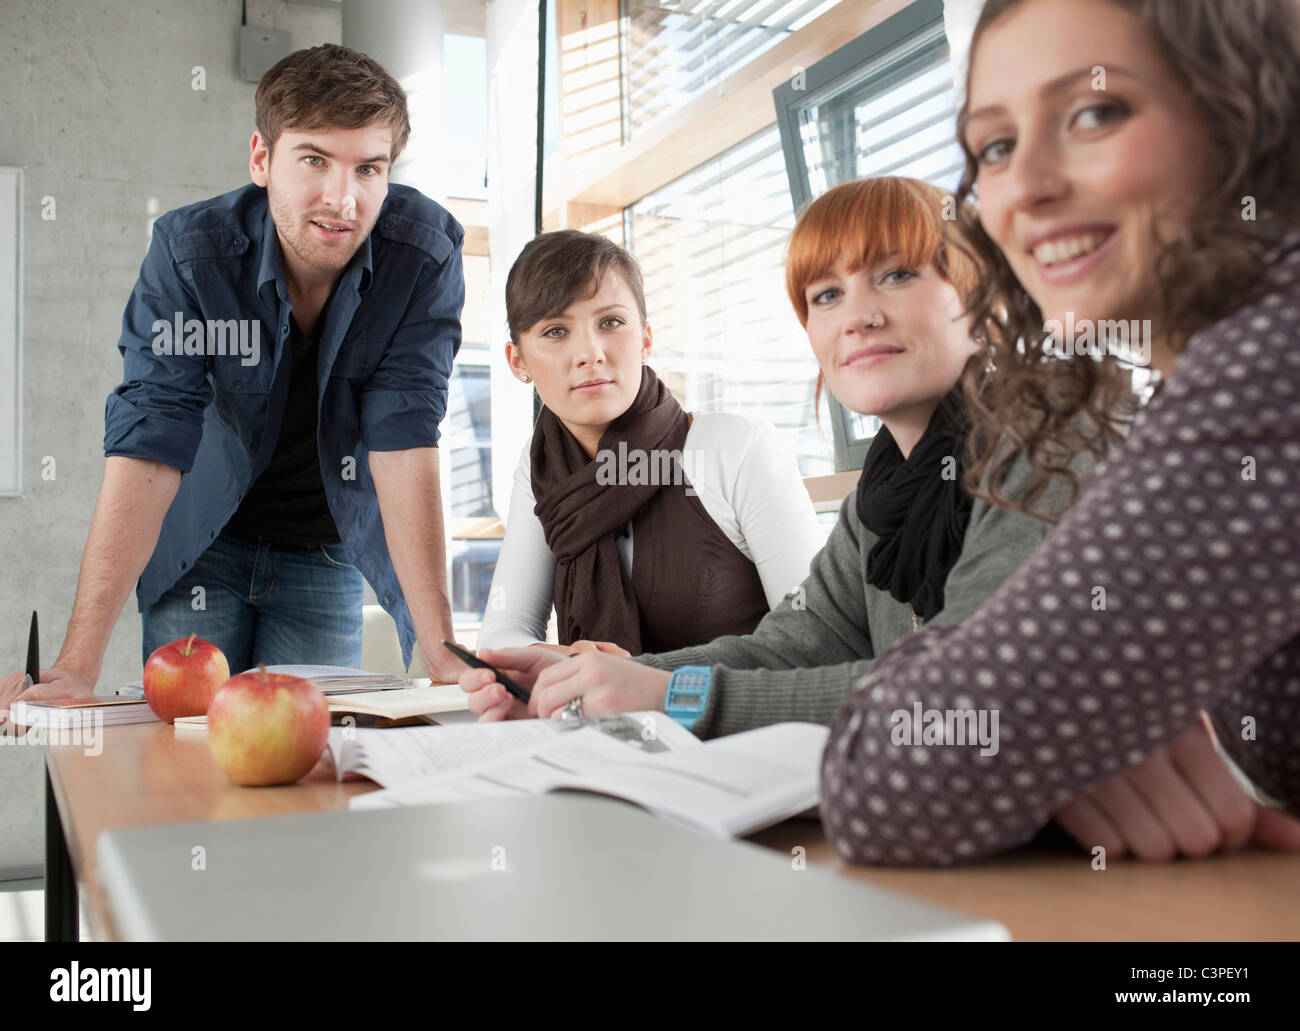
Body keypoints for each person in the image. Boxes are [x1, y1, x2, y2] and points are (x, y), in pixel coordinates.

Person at [821, 0, 1300, 866]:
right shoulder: (1224, 370)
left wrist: (1047, 714)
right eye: (994, 146)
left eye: (1094, 113)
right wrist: (1068, 721)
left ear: (1246, 115)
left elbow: (881, 780)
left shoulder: (1274, 366)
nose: (1028, 186)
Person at [460, 177, 1092, 736]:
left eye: (897, 275)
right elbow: (809, 640)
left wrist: (669, 695)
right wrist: (589, 679)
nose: (858, 317)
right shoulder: (887, 489)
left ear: (980, 306)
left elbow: (971, 697)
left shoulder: (1043, 453)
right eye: (825, 295)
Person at [0, 44, 467, 729]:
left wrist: (445, 654)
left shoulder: (423, 256)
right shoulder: (190, 254)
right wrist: (75, 665)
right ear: (261, 160)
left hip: (326, 551)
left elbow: (402, 438)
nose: (344, 198)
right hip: (202, 545)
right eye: (314, 159)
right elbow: (150, 439)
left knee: (310, 767)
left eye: (369, 168)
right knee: (185, 755)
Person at [475, 229, 823, 655]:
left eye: (611, 322)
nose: (590, 353)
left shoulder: (736, 448)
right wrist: (565, 662)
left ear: (645, 339)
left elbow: (817, 644)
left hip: (744, 720)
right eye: (555, 331)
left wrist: (634, 679)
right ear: (518, 361)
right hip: (600, 719)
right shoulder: (542, 470)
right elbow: (503, 633)